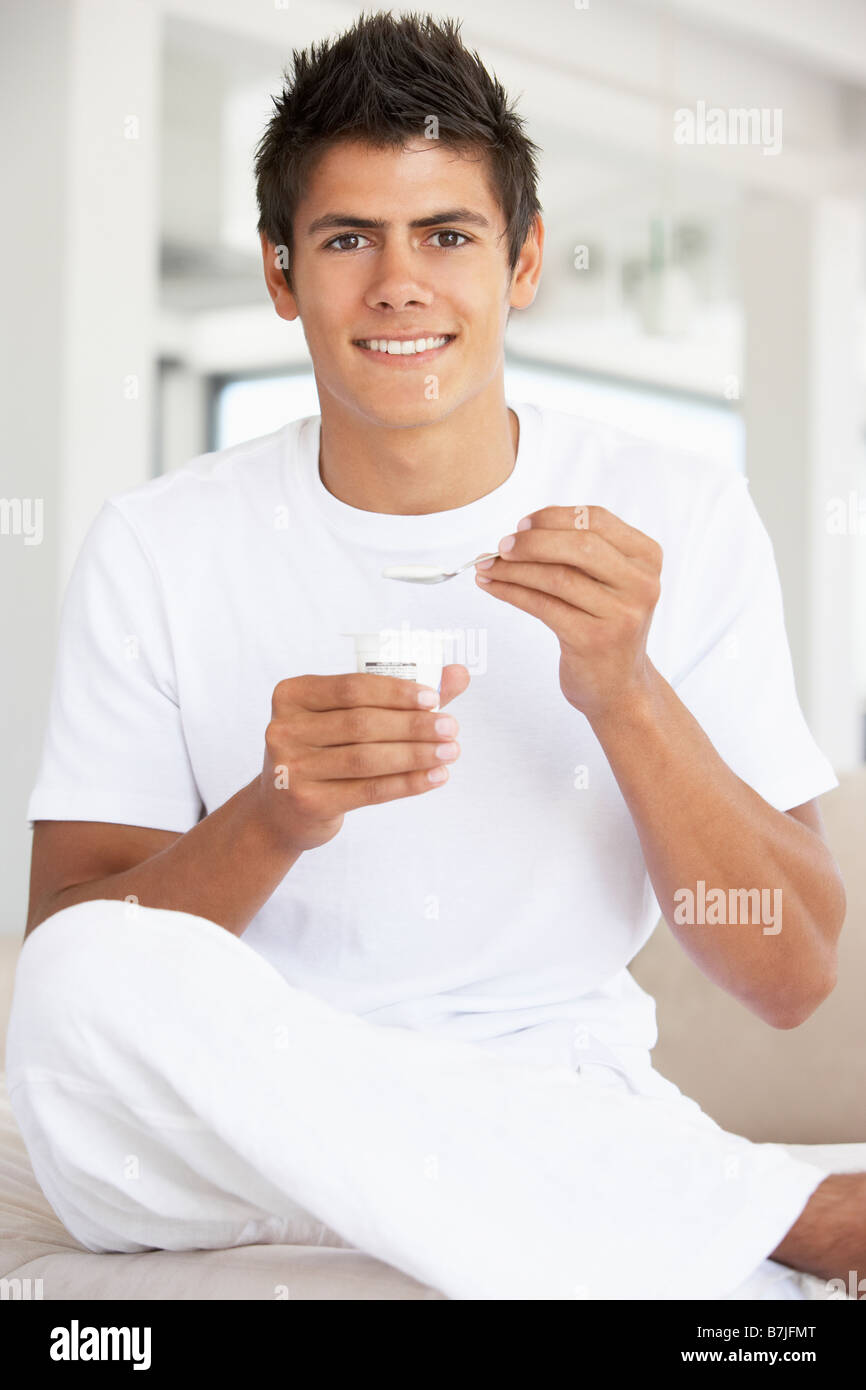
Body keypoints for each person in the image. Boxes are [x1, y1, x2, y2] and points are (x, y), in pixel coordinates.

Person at [6, 11, 860, 1301]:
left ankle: (574, 1199)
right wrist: (273, 816)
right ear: (282, 274)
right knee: (70, 975)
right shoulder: (158, 544)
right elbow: (75, 949)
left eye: (446, 235)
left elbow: (793, 972)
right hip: (238, 1130)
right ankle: (765, 1212)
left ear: (520, 264)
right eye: (348, 239)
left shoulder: (677, 516)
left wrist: (626, 690)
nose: (399, 284)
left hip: (553, 1087)